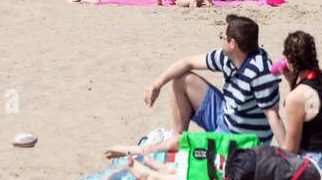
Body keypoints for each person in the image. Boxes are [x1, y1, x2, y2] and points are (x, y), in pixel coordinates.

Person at [115, 14, 281, 156]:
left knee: (181, 144)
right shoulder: (228, 57)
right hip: (226, 117)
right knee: (182, 80)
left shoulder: (260, 73)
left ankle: (142, 151)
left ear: (233, 44)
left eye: (222, 37)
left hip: (240, 140)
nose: (220, 40)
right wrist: (156, 84)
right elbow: (187, 62)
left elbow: (274, 117)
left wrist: (289, 153)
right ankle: (177, 136)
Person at [277, 32, 322, 180]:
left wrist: (272, 115)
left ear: (288, 59)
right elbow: (312, 110)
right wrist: (292, 83)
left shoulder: (296, 97)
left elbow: (290, 151)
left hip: (318, 166)